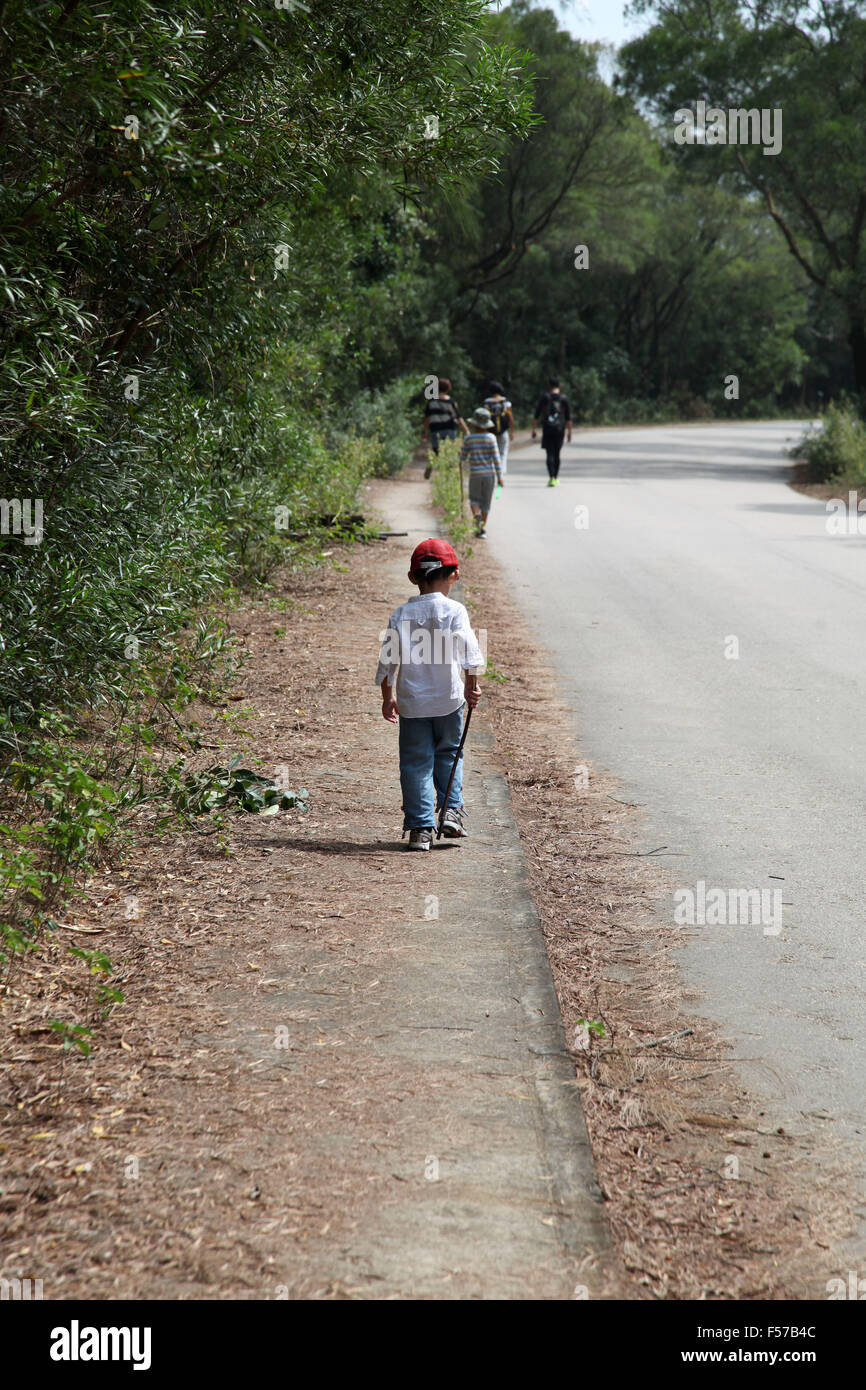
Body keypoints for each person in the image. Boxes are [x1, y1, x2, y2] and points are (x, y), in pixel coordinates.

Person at [376, 539, 484, 851]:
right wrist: (471, 685)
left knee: (415, 762)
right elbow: (470, 651)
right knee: (450, 753)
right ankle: (451, 811)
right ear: (455, 575)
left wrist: (387, 696)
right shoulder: (455, 611)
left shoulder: (401, 614)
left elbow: (388, 660)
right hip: (449, 699)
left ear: (413, 578)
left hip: (412, 703)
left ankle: (421, 829)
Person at [460, 405, 504, 538]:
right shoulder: (491, 438)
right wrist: (500, 476)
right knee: (486, 503)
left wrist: (460, 453)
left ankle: (476, 517)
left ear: (474, 423)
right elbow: (496, 458)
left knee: (474, 500)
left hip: (475, 474)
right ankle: (482, 529)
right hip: (489, 475)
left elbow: (462, 458)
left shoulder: (469, 439)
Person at [532, 378, 572, 486]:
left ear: (549, 386)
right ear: (559, 386)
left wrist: (534, 429)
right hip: (560, 430)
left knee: (549, 453)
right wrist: (569, 432)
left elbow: (537, 414)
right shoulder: (564, 399)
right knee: (557, 454)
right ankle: (556, 477)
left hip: (548, 429)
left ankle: (551, 477)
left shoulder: (545, 398)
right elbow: (568, 417)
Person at [422, 377, 468, 456]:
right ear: (448, 388)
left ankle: (434, 467)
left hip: (435, 429)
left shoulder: (431, 401)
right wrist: (466, 430)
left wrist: (424, 431)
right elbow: (458, 417)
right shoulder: (451, 402)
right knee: (452, 452)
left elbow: (427, 418)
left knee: (437, 452)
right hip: (450, 429)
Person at [483, 380, 515, 477]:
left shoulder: (487, 402)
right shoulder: (506, 402)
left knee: (491, 452)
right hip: (503, 431)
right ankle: (501, 473)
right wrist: (511, 431)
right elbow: (510, 418)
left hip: (490, 431)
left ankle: (493, 471)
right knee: (503, 452)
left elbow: (484, 418)